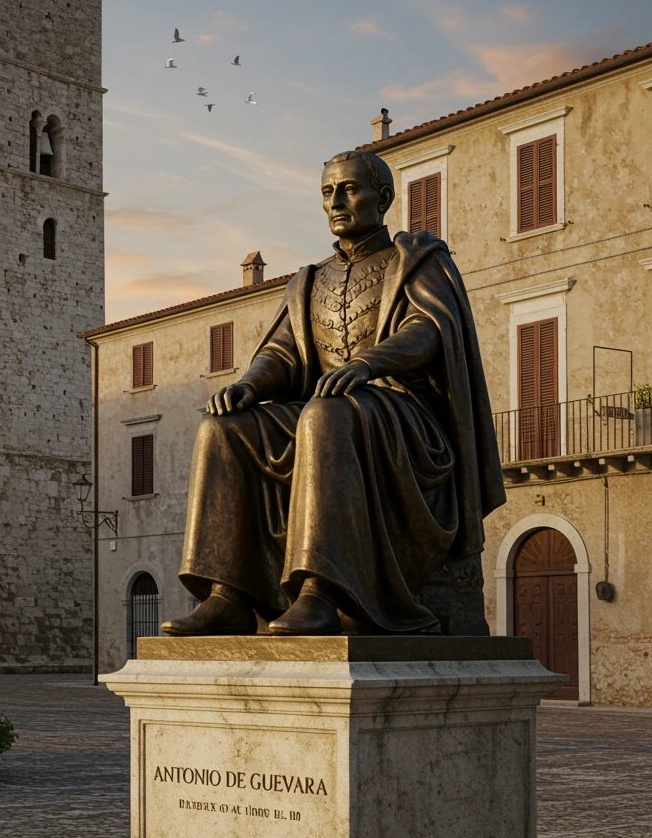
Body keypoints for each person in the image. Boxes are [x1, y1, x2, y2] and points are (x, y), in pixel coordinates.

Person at [162, 149, 505, 637]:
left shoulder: (416, 260)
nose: (336, 202)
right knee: (223, 427)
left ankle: (320, 592)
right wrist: (247, 386)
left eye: (349, 189)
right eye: (328, 192)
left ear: (382, 198)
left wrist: (369, 364)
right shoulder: (308, 280)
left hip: (402, 418)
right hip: (328, 412)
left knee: (323, 417)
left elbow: (428, 330)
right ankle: (228, 594)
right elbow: (282, 353)